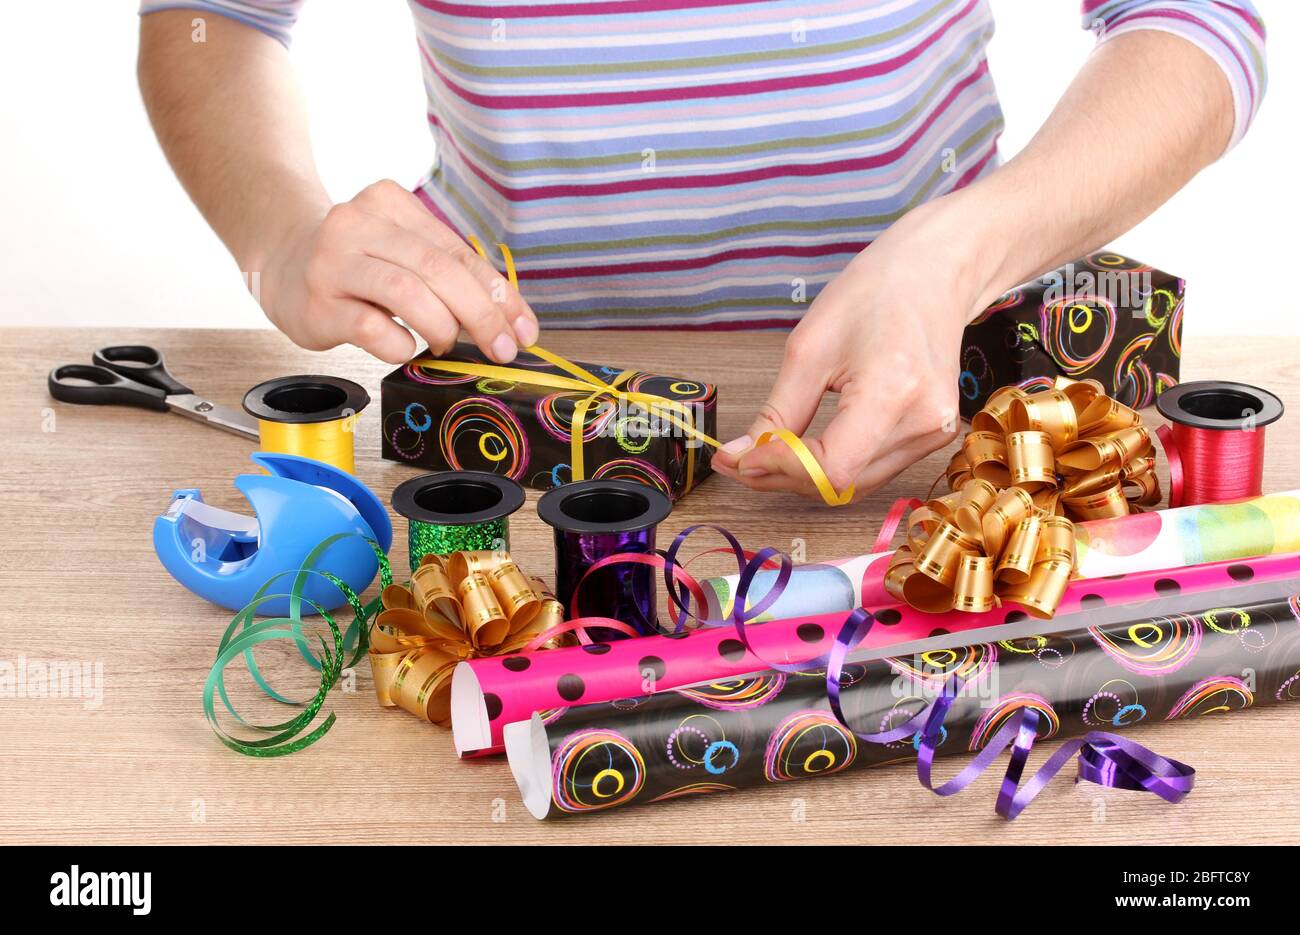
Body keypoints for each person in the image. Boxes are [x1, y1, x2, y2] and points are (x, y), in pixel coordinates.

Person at [137, 0, 1266, 499]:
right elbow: (210, 16)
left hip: (939, 428)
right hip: (508, 428)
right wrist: (277, 237)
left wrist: (955, 256)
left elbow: (1198, 18)